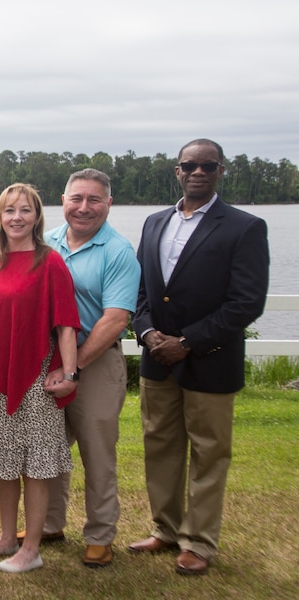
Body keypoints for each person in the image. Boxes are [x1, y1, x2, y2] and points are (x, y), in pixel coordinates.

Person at [129, 138, 269, 576]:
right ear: (177, 170)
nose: (198, 172)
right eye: (189, 165)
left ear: (220, 171)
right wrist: (149, 333)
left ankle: (199, 542)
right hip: (157, 361)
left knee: (209, 453)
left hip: (210, 358)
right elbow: (141, 293)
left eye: (208, 166)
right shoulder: (154, 223)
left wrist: (186, 341)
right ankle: (166, 529)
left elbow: (246, 302)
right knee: (160, 446)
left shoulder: (244, 227)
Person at [0, 183, 80, 574]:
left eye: (25, 210)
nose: (17, 217)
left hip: (36, 377)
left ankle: (31, 549)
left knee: (36, 463)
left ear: (37, 217)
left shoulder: (49, 262)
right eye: (9, 210)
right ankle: (5, 537)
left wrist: (69, 374)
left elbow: (67, 324)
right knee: (3, 460)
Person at [35, 169, 140, 568]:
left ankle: (99, 535)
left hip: (94, 363)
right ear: (62, 200)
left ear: (109, 204)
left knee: (97, 453)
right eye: (76, 198)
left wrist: (72, 367)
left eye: (94, 200)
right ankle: (49, 522)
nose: (84, 208)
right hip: (50, 365)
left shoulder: (118, 251)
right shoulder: (47, 241)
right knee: (50, 448)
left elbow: (115, 318)